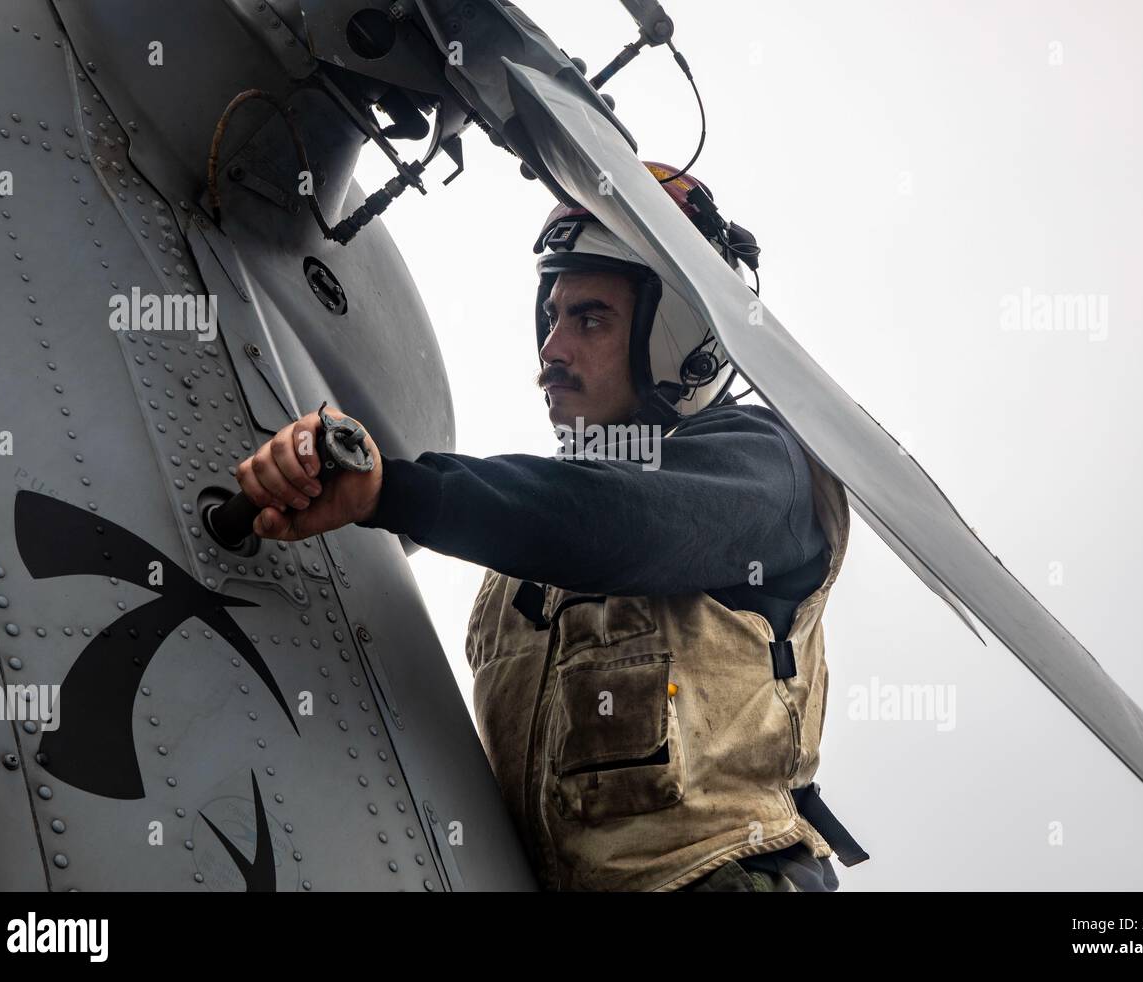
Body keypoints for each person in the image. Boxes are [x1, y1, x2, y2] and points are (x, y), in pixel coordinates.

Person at [234, 161, 863, 891]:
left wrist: (392, 491)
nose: (552, 349)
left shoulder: (763, 468)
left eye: (589, 319)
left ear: (679, 340)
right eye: (551, 318)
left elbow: (615, 521)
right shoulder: (515, 570)